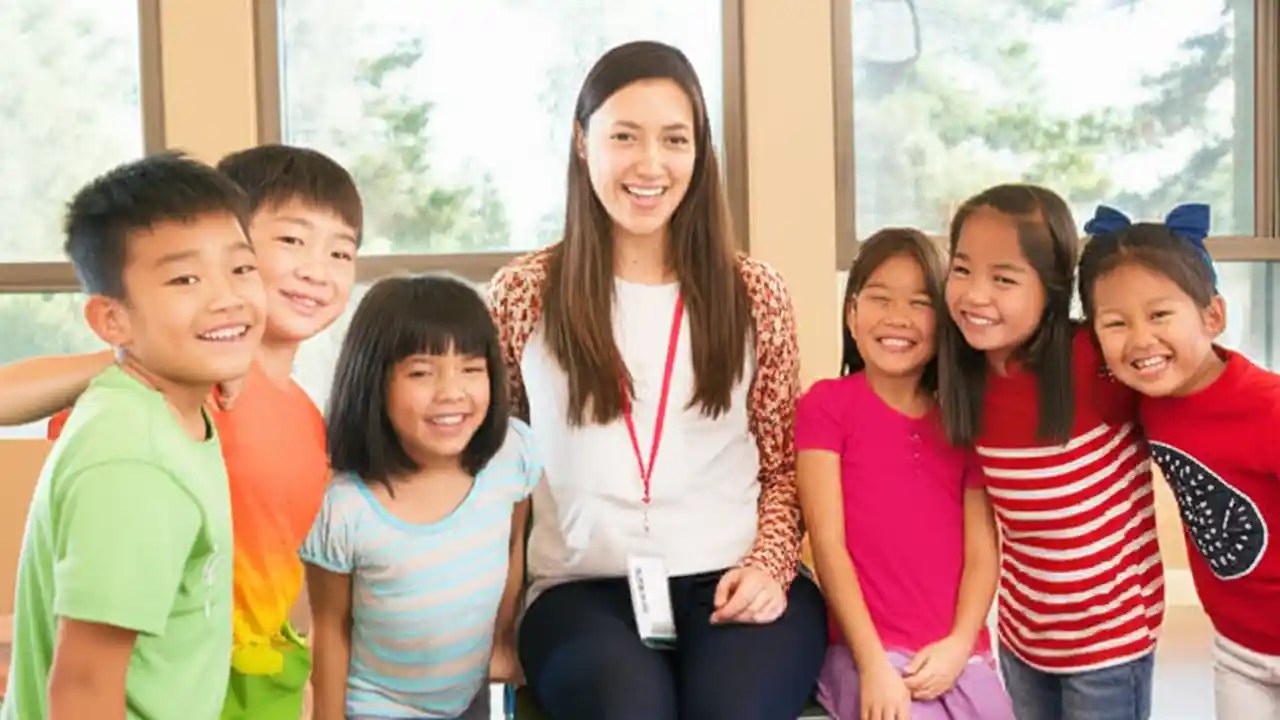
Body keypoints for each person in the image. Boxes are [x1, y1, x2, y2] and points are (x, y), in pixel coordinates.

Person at [487, 40, 826, 720]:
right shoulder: (523, 294)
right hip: (582, 589)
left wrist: (768, 565)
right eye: (624, 137)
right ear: (583, 144)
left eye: (675, 139)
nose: (651, 164)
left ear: (700, 154)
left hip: (730, 575)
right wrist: (493, 626)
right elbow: (496, 474)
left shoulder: (752, 292)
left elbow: (784, 463)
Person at [0, 144, 364, 720]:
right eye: (291, 240)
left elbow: (284, 561)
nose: (316, 269)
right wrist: (124, 355)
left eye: (341, 251)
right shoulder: (146, 419)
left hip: (251, 673)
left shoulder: (291, 412)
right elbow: (85, 684)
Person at [937, 184, 1164, 720]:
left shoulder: (1095, 361)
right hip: (1024, 638)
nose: (974, 294)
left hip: (1111, 645)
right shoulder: (964, 377)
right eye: (962, 269)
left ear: (1054, 288)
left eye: (1004, 278)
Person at [797, 228, 1013, 720]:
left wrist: (960, 645)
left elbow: (983, 554)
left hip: (960, 655)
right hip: (866, 654)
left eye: (920, 303)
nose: (898, 317)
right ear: (852, 314)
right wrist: (873, 664)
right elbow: (825, 544)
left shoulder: (963, 423)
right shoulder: (826, 406)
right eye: (878, 298)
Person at [301, 274, 538, 720]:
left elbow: (512, 544)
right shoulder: (345, 507)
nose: (452, 392)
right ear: (373, 381)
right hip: (378, 706)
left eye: (471, 368)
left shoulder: (510, 455)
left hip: (472, 697)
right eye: (422, 372)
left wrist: (503, 641)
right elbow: (330, 628)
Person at [1079, 204, 1280, 719]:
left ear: (1213, 316)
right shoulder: (1147, 401)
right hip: (1238, 649)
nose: (1141, 339)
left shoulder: (1268, 408)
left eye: (1160, 314)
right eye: (1116, 323)